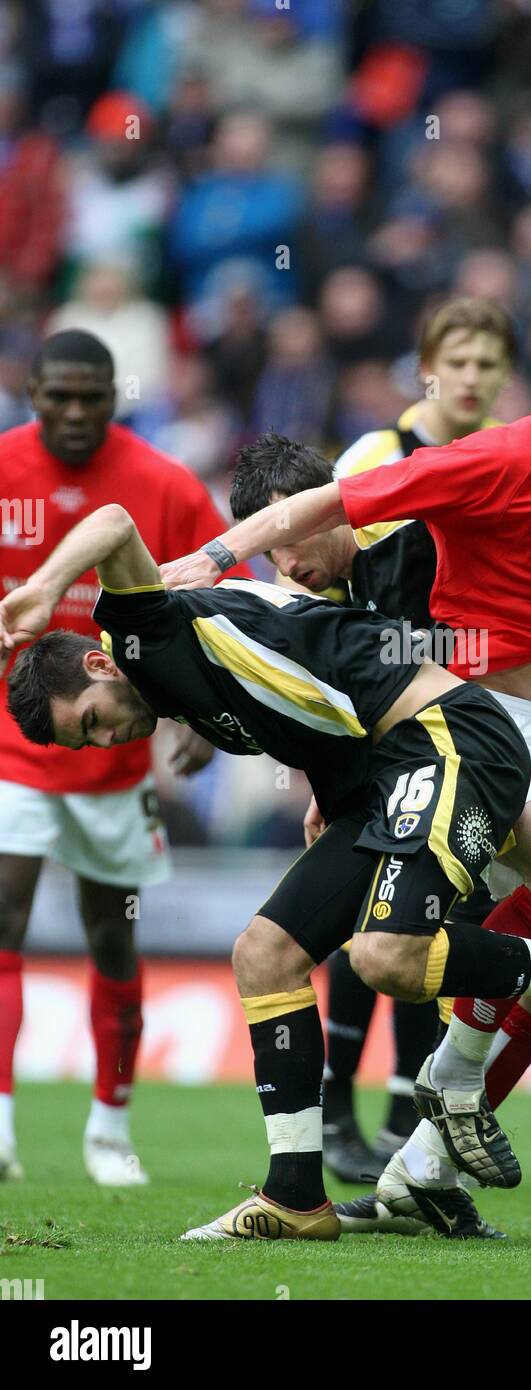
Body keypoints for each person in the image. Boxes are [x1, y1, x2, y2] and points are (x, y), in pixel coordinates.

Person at [159, 302, 531, 1241]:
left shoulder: (426, 525)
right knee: (514, 927)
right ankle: (419, 1154)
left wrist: (210, 558)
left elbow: (372, 562)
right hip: (486, 727)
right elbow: (376, 677)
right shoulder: (353, 570)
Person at [1, 502, 531, 1240]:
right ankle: (296, 1196)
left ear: (101, 666)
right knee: (263, 955)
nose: (108, 739)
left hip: (443, 739)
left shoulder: (140, 634)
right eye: (90, 745)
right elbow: (307, 685)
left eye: (92, 720)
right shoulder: (175, 687)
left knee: (385, 958)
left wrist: (42, 588)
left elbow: (111, 523)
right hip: (375, 778)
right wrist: (329, 797)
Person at [0, 330, 239, 1186]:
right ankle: (1, 1129)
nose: (72, 411)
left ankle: (109, 1126)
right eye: (56, 395)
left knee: (112, 937)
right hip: (14, 748)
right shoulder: (2, 468)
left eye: (89, 396)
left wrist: (203, 714)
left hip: (114, 754)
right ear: (32, 392)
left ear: (114, 396)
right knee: (5, 915)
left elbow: (224, 589)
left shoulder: (162, 482)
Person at [319, 296, 515, 1180]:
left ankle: (404, 1107)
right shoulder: (374, 458)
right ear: (427, 365)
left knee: (435, 906)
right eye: (458, 361)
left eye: (487, 363)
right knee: (374, 902)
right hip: (375, 711)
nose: (472, 378)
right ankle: (333, 1110)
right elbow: (321, 579)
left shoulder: (508, 455)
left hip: (464, 711)